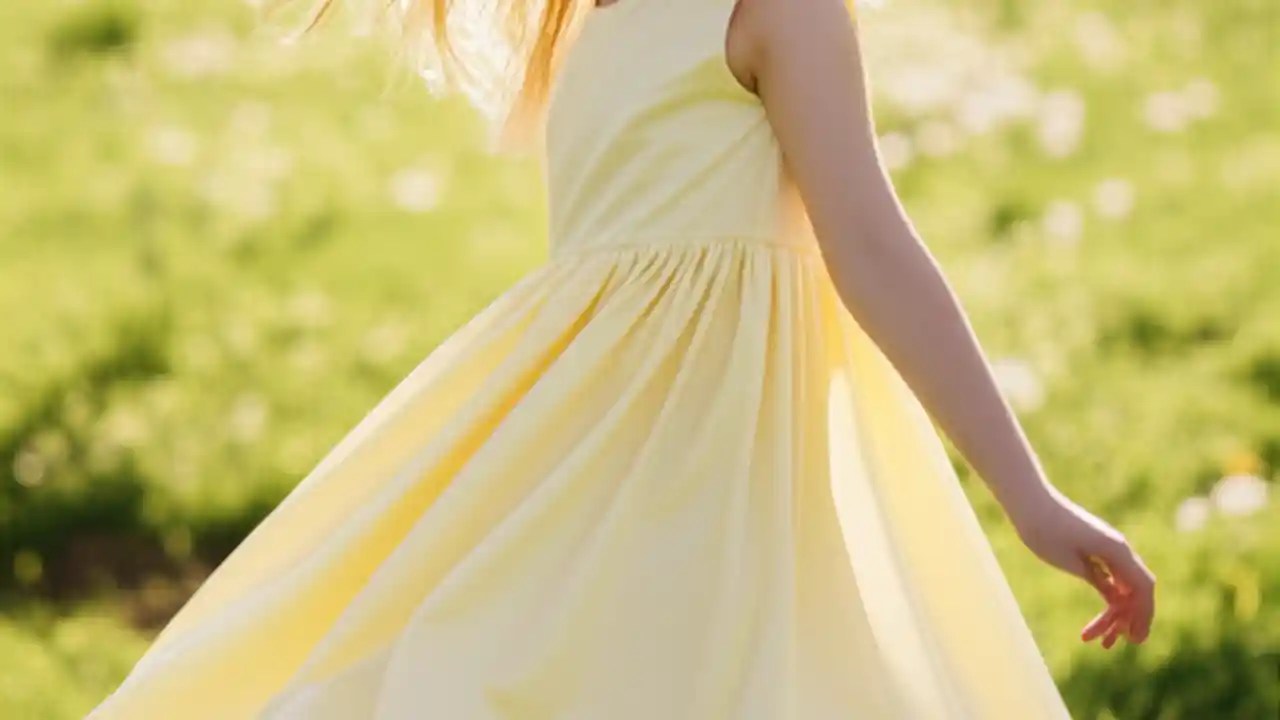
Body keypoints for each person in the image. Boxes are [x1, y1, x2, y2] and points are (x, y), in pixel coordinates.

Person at [87, 0, 1156, 717]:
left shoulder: (753, 12)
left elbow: (866, 244)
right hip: (604, 446)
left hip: (701, 451)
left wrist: (1025, 495)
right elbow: (861, 250)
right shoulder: (594, 22)